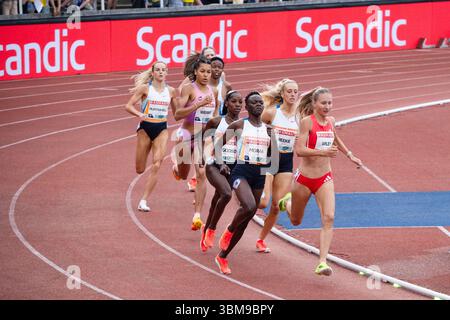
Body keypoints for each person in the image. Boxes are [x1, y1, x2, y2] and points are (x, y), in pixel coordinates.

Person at [278, 87, 362, 276]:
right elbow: (299, 150)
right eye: (323, 103)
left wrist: (350, 155)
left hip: (325, 177)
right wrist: (324, 152)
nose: (327, 106)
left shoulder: (331, 121)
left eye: (330, 103)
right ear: (314, 104)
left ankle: (322, 262)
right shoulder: (307, 123)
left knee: (329, 217)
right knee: (295, 220)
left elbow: (336, 138)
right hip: (304, 179)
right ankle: (288, 203)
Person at [214, 91, 275, 275]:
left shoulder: (269, 130)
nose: (258, 105)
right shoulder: (239, 125)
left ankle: (222, 256)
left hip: (259, 174)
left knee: (248, 217)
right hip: (241, 171)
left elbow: (273, 156)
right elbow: (218, 145)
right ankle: (229, 229)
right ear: (246, 107)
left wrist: (269, 177)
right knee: (248, 206)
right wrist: (222, 163)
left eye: (260, 103)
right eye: (254, 103)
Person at [173, 53, 219, 231]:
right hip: (186, 134)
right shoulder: (188, 89)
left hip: (203, 137)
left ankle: (197, 216)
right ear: (196, 72)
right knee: (183, 175)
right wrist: (197, 105)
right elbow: (177, 115)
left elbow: (213, 115)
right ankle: (176, 168)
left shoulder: (214, 91)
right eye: (203, 71)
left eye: (209, 71)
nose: (207, 75)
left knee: (201, 173)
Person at [125, 61, 177, 212]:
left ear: (167, 73)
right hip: (145, 128)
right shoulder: (145, 89)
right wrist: (139, 113)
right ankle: (143, 193)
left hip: (161, 128)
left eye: (164, 70)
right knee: (140, 169)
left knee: (157, 163)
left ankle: (143, 200)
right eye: (158, 70)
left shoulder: (171, 91)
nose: (161, 72)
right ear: (153, 73)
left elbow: (177, 112)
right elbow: (128, 106)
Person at [255, 79, 299, 253]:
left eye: (296, 91)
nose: (293, 94)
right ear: (282, 94)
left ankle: (260, 239)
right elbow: (255, 127)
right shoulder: (271, 113)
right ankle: (244, 208)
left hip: (286, 161)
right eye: (289, 91)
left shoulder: (300, 117)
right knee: (263, 202)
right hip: (268, 158)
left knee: (275, 205)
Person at [200, 90, 242, 252]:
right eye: (234, 102)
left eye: (240, 102)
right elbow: (202, 138)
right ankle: (212, 229)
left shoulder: (243, 124)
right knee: (226, 194)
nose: (237, 105)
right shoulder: (216, 122)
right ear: (226, 103)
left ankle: (205, 231)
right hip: (215, 164)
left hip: (233, 166)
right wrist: (201, 157)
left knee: (217, 199)